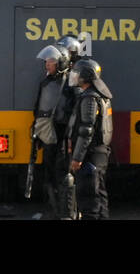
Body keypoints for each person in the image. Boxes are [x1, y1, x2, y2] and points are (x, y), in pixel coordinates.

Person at [32, 44, 76, 220]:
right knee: (48, 172)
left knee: (63, 172)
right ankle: (52, 207)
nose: (47, 65)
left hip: (64, 136)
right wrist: (36, 130)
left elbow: (73, 112)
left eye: (50, 62)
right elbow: (39, 108)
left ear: (60, 63)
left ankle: (65, 210)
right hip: (49, 135)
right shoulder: (46, 83)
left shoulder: (71, 85)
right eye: (46, 61)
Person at [67, 58, 113, 220]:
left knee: (88, 199)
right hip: (99, 154)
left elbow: (87, 130)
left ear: (86, 76)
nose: (74, 76)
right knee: (99, 196)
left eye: (77, 73)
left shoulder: (89, 98)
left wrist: (77, 158)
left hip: (90, 156)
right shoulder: (99, 95)